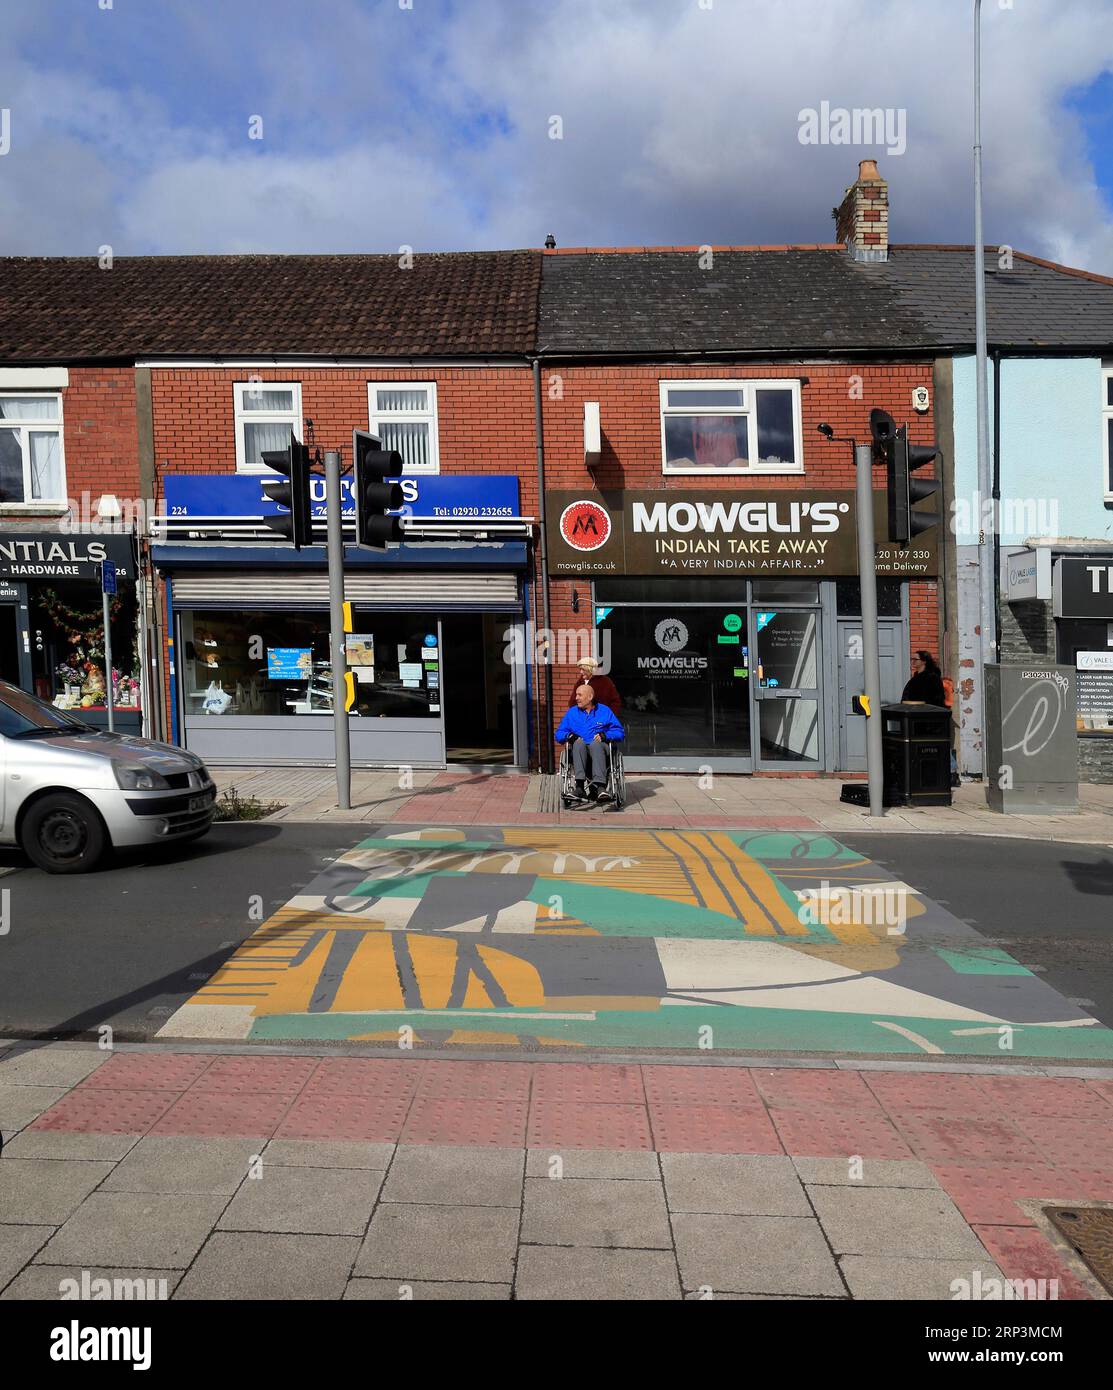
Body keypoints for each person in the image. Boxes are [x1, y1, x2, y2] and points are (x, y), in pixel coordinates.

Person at [555, 683, 624, 802]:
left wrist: (605, 735)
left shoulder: (604, 711)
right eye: (576, 695)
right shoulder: (572, 713)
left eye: (580, 695)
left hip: (601, 749)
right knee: (578, 743)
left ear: (590, 697)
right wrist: (569, 736)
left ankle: (601, 788)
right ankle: (580, 788)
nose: (576, 698)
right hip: (579, 751)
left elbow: (619, 732)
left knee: (595, 744)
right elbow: (559, 734)